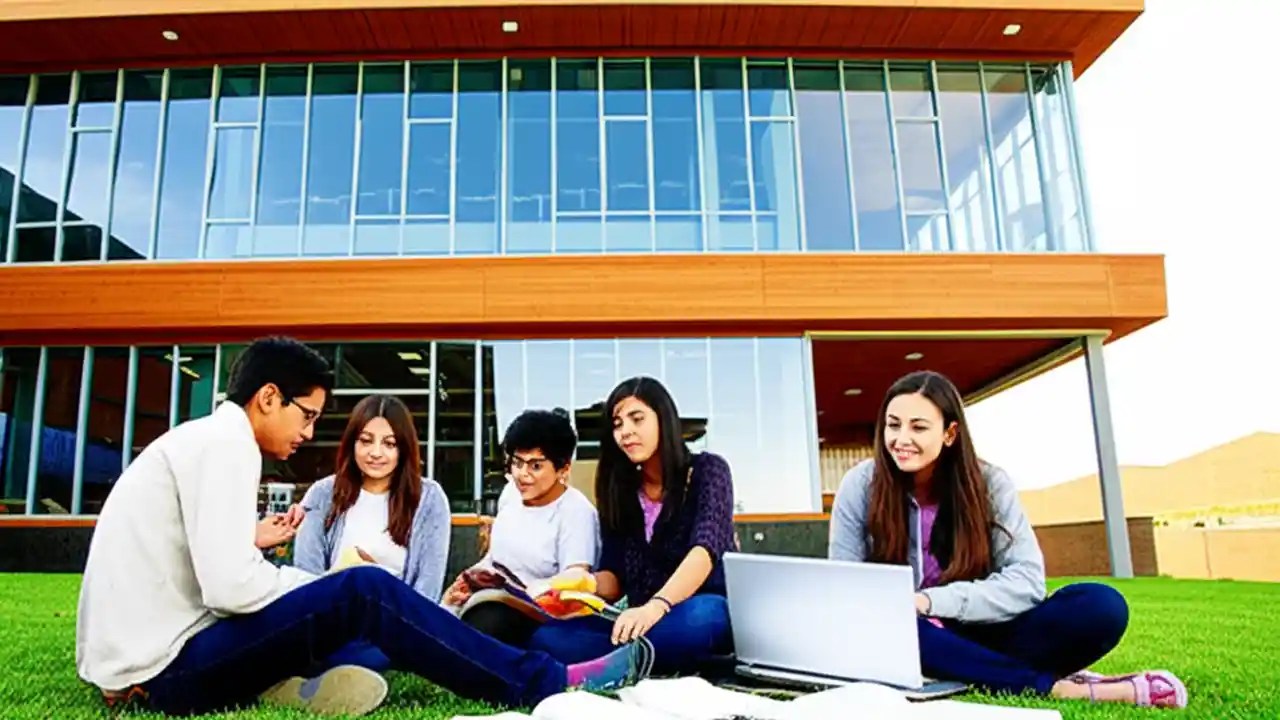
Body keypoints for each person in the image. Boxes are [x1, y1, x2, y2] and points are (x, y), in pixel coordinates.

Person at [75, 336, 653, 717]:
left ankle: (289, 680)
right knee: (366, 591)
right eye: (306, 416)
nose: (306, 433)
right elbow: (228, 587)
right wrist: (322, 587)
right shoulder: (228, 447)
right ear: (268, 398)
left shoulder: (200, 440)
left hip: (149, 664)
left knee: (359, 601)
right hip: (161, 675)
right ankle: (547, 683)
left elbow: (213, 568)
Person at [829, 370, 1187, 709]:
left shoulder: (989, 484)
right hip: (905, 635)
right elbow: (845, 588)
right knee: (904, 632)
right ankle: (1057, 687)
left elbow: (1026, 582)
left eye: (918, 427)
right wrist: (902, 612)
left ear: (950, 434)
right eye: (893, 425)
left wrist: (928, 601)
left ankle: (970, 668)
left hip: (986, 628)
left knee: (1101, 606)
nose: (900, 439)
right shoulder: (861, 485)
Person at [528, 377, 736, 675]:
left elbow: (704, 550)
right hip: (637, 619)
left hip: (689, 608)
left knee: (705, 619)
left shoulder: (709, 470)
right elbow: (616, 577)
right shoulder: (621, 489)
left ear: (663, 419)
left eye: (637, 419)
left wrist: (657, 606)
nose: (625, 432)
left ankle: (620, 661)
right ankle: (633, 660)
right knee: (547, 638)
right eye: (617, 424)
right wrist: (578, 585)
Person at [293, 393, 452, 672]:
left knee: (379, 652)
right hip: (334, 616)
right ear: (352, 443)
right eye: (365, 441)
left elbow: (428, 588)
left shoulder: (429, 498)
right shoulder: (321, 494)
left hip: (397, 622)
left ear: (404, 449)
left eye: (389, 444)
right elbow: (307, 576)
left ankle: (329, 671)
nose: (375, 453)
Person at [444, 408, 600, 647]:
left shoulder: (576, 512)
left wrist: (532, 592)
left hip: (539, 615)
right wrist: (470, 578)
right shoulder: (510, 494)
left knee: (484, 626)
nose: (522, 475)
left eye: (535, 466)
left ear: (563, 469)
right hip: (493, 596)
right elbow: (496, 557)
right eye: (517, 462)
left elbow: (576, 581)